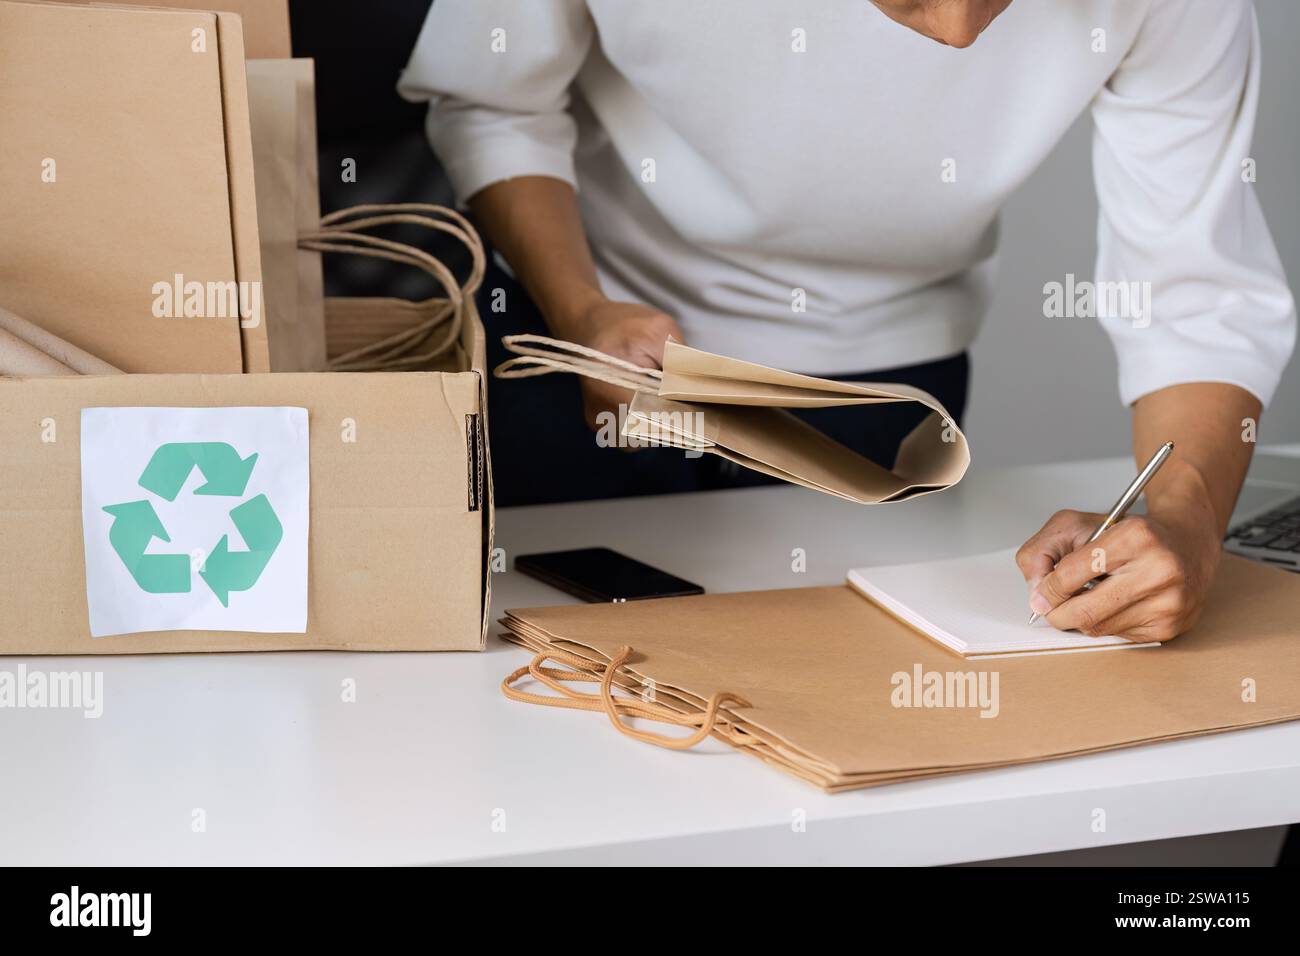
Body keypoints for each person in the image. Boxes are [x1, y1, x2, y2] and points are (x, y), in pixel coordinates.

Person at [399, 0, 1295, 644]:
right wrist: (581, 307)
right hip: (582, 355)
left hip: (888, 400)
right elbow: (493, 96)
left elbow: (1194, 285)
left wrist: (1186, 515)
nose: (956, 27)